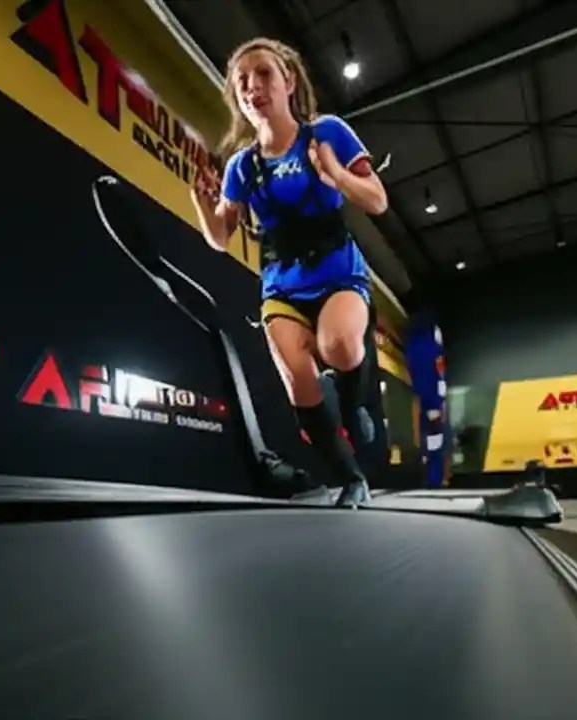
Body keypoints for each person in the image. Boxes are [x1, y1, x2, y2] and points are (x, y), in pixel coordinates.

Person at [190, 37, 389, 508]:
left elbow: (377, 201)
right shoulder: (242, 166)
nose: (252, 87)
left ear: (288, 82)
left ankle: (356, 400)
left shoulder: (327, 133)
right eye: (242, 82)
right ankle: (351, 478)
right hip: (282, 285)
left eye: (263, 75)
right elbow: (220, 238)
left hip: (339, 273)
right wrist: (203, 205)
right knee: (298, 381)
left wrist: (335, 175)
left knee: (337, 346)